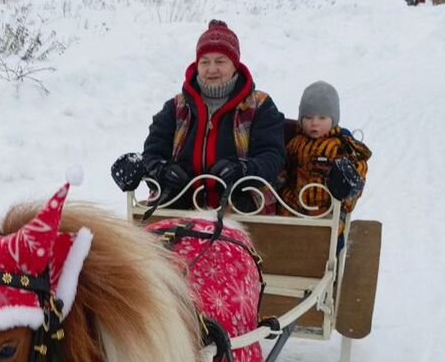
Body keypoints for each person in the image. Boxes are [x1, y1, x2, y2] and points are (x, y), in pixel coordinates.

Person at [111, 20, 286, 211]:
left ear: (235, 65)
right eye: (205, 62)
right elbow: (153, 153)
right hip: (179, 204)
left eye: (220, 61)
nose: (212, 69)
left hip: (241, 206)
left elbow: (272, 155)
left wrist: (242, 170)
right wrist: (163, 171)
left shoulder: (259, 105)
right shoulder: (176, 107)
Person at [278, 81, 371, 227]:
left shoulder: (341, 146)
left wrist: (346, 198)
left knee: (326, 235)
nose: (314, 123)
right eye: (308, 117)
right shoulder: (296, 143)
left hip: (327, 211)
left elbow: (357, 175)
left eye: (322, 118)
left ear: (333, 119)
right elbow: (284, 167)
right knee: (282, 232)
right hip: (293, 208)